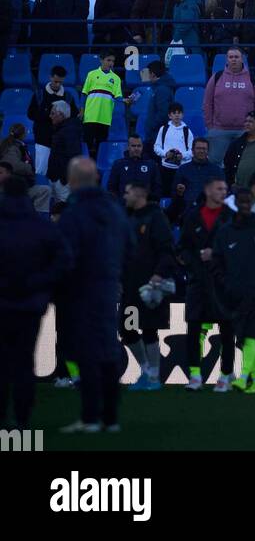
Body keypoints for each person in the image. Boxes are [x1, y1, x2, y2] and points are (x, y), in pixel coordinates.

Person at [55, 158, 131, 434]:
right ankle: (110, 417)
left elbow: (63, 254)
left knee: (86, 352)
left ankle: (90, 417)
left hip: (79, 289)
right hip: (109, 286)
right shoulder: (114, 210)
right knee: (108, 348)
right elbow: (129, 246)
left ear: (72, 180)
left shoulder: (74, 213)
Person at [0, 175, 71, 429]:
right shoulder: (42, 228)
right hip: (30, 306)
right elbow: (63, 264)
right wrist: (41, 287)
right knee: (23, 361)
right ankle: (22, 419)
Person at [211, 186, 255, 394]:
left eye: (246, 203)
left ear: (251, 204)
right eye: (240, 203)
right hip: (235, 294)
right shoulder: (225, 232)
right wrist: (226, 283)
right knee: (244, 338)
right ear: (235, 206)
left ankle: (246, 378)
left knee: (252, 335)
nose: (243, 206)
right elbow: (217, 261)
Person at [178, 174, 234, 392]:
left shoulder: (232, 217)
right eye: (219, 189)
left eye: (225, 189)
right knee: (193, 327)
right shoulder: (192, 217)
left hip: (223, 282)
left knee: (227, 329)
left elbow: (238, 248)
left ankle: (225, 375)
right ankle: (194, 375)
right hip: (198, 281)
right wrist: (195, 260)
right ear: (208, 190)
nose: (223, 192)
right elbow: (182, 248)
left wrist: (216, 254)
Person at [120, 180, 176, 391]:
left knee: (149, 329)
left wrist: (158, 274)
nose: (124, 196)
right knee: (127, 329)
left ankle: (153, 376)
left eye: (127, 192)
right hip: (130, 285)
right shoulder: (129, 218)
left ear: (138, 193)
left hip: (150, 286)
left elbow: (167, 249)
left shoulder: (156, 217)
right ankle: (146, 370)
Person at [202, 48, 255, 164]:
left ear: (242, 59)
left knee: (245, 164)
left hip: (245, 131)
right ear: (227, 59)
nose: (233, 60)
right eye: (231, 57)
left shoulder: (253, 78)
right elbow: (207, 102)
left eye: (236, 57)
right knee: (215, 166)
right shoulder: (217, 77)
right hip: (219, 130)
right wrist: (210, 126)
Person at [28, 67, 78, 176]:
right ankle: (42, 192)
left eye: (61, 82)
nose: (58, 84)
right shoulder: (39, 95)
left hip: (61, 141)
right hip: (43, 139)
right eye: (56, 81)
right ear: (50, 77)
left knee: (60, 173)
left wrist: (63, 117)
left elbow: (74, 116)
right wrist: (49, 115)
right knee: (41, 171)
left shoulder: (68, 96)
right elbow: (31, 114)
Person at [80, 51, 128, 160]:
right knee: (87, 143)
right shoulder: (91, 74)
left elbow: (118, 97)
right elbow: (84, 93)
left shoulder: (116, 78)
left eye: (113, 61)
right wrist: (82, 110)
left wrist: (125, 100)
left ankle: (97, 169)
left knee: (100, 145)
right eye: (108, 60)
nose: (111, 63)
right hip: (90, 115)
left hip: (105, 118)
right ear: (101, 60)